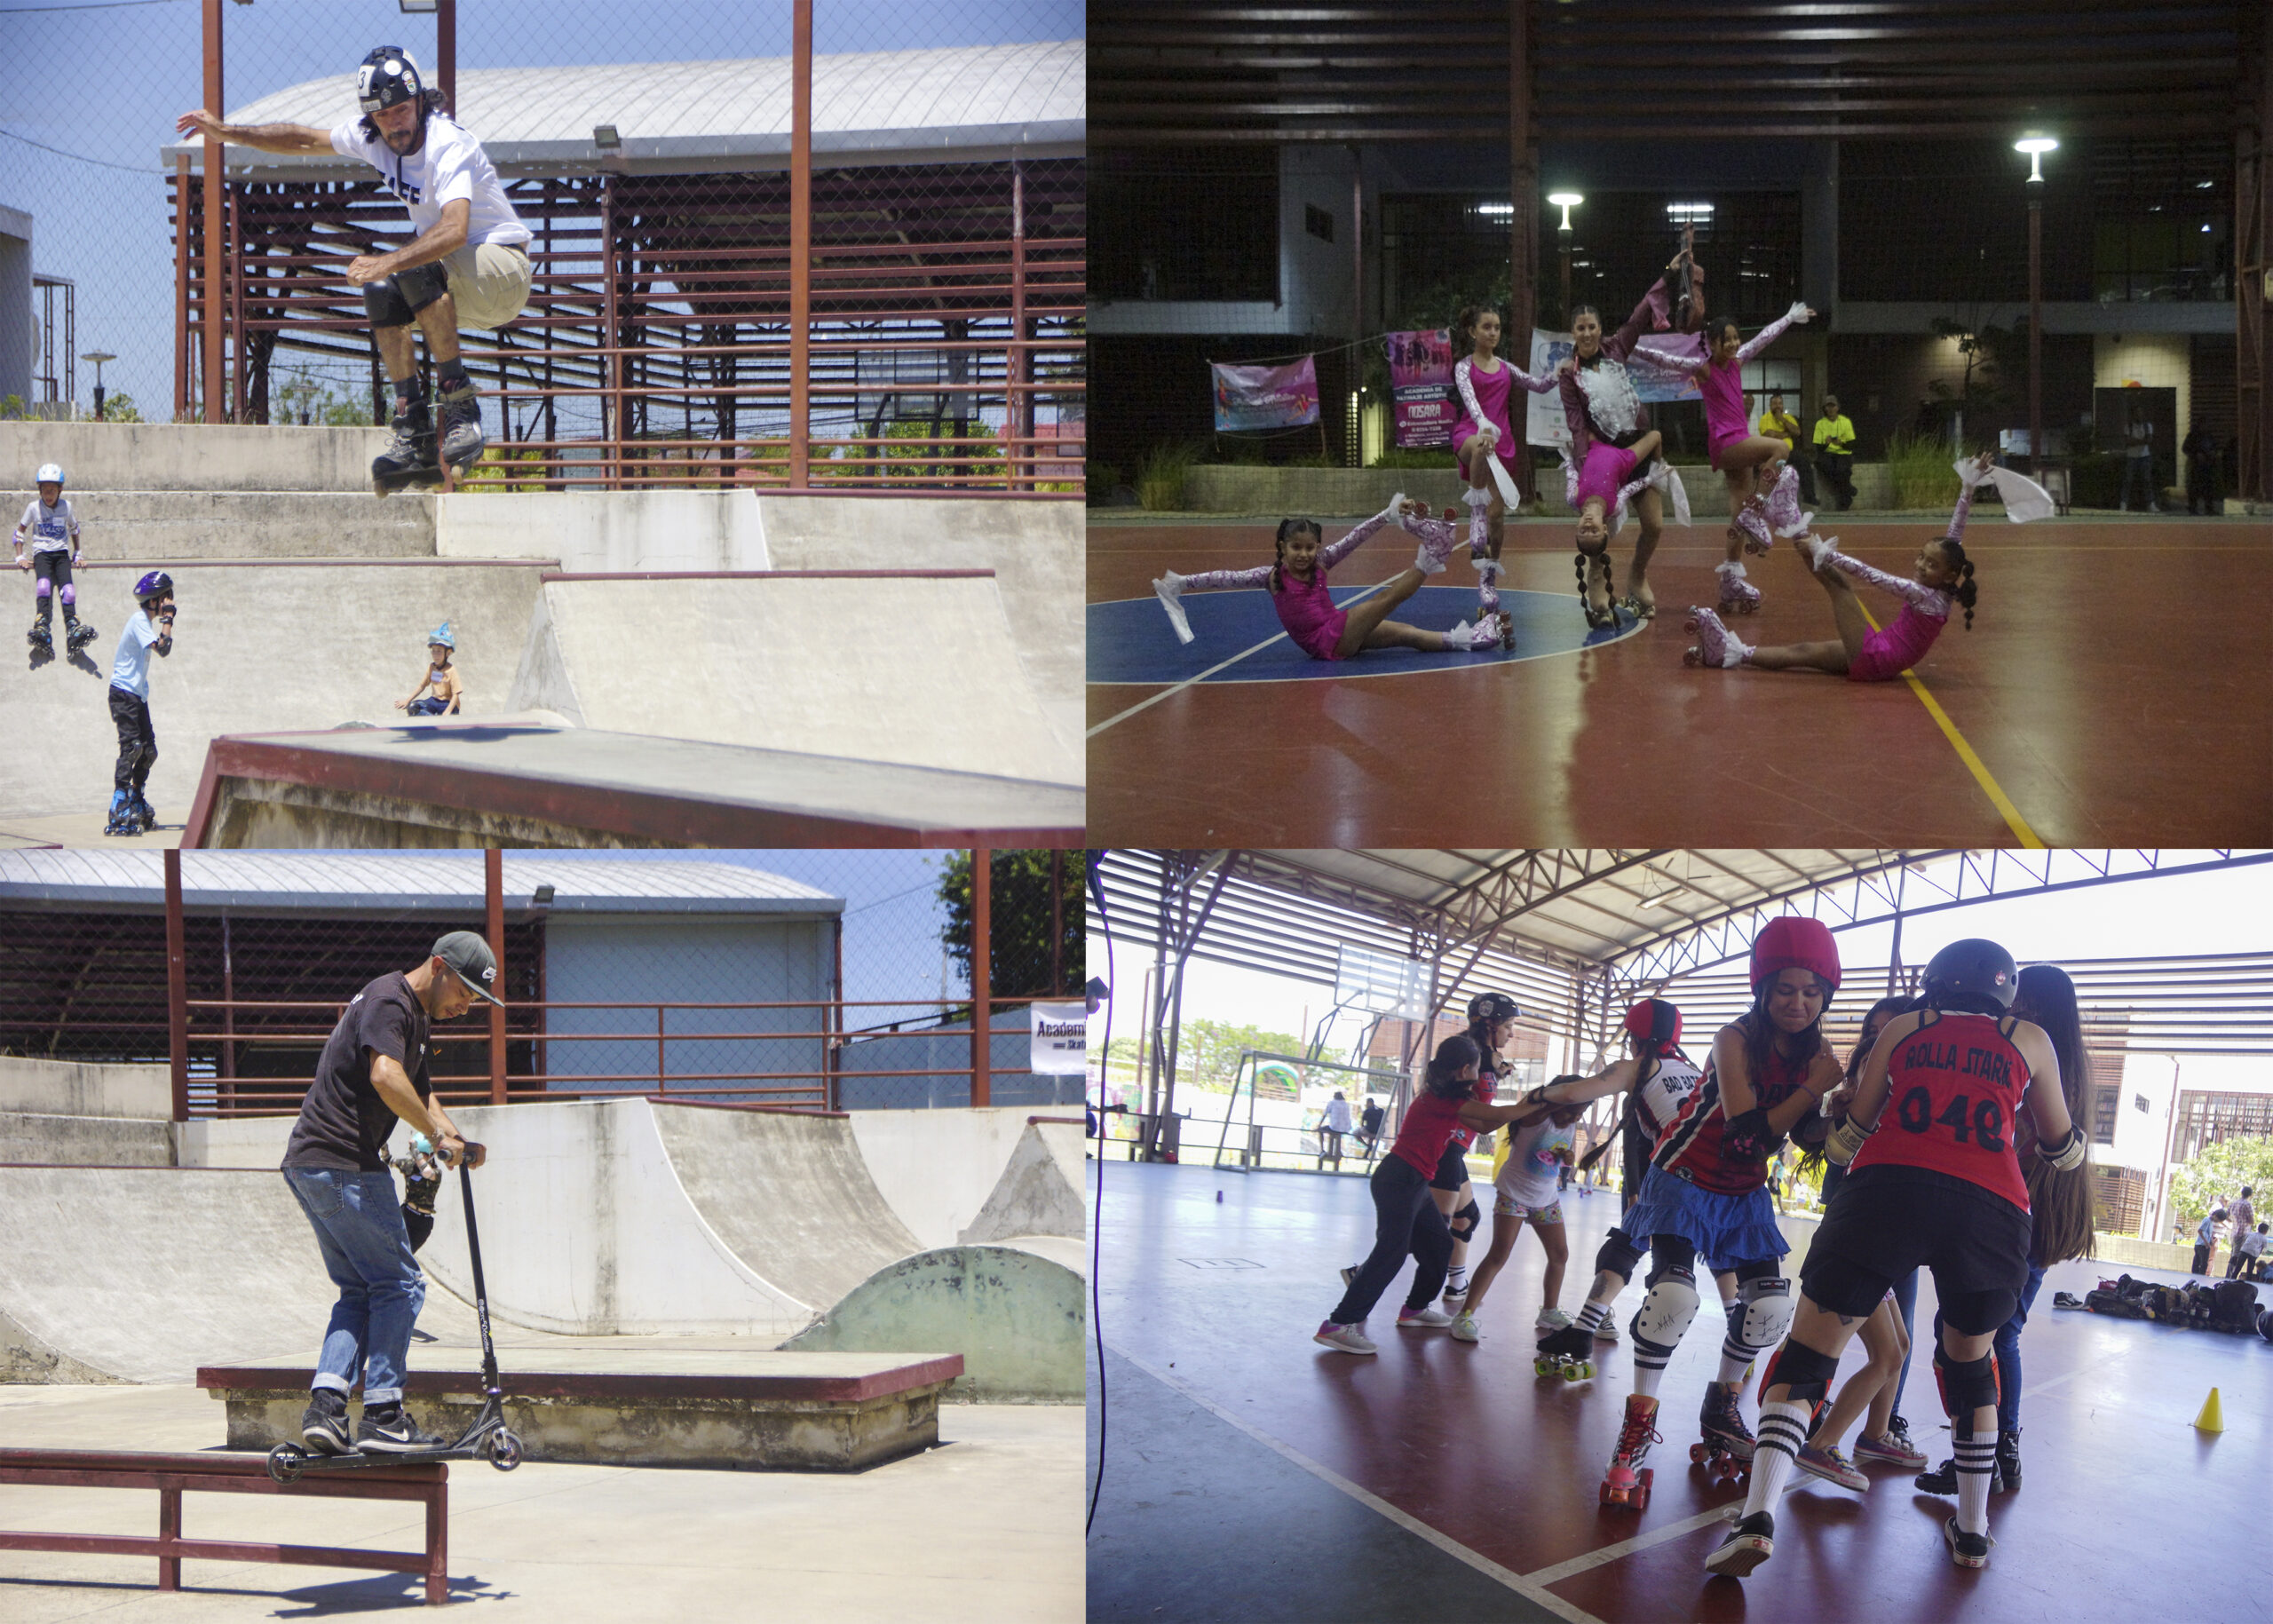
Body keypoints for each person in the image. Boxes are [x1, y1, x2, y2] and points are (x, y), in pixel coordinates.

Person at [1706, 938, 2087, 1579]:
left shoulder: (1909, 1024)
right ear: (2004, 990)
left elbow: (1852, 1130)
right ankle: (1972, 1530)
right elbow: (2063, 1147)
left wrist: (1843, 1138)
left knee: (1809, 1351)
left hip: (1885, 1191)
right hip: (1991, 1210)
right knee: (1971, 1364)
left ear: (1935, 983)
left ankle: (1757, 1517)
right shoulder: (2032, 1038)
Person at [178, 46, 534, 492]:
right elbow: (302, 139)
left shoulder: (449, 145)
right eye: (384, 116)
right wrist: (227, 131)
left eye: (403, 110)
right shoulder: (370, 136)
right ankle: (414, 430)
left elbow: (455, 230)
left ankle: (461, 407)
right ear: (371, 116)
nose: (396, 124)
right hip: (463, 282)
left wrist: (387, 259)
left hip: (503, 271)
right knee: (382, 289)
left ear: (421, 101)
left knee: (408, 265)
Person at [281, 931, 498, 1454]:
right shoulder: (390, 999)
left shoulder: (414, 1017)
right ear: (439, 967)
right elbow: (385, 1075)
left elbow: (419, 1088)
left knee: (362, 1291)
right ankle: (384, 1413)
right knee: (401, 1285)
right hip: (343, 1165)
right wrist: (432, 1135)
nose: (467, 1007)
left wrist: (454, 1138)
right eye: (465, 993)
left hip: (312, 1164)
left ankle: (327, 1409)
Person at [1914, 962, 2096, 1496]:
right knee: (1995, 1335)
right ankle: (1996, 1454)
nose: (2008, 1007)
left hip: (2009, 1217)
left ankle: (1989, 1454)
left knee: (1982, 1338)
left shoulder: (2033, 1058)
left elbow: (2013, 1145)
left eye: (2019, 1000)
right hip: (2031, 1219)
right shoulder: (2066, 1066)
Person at [1312, 1034, 1578, 1355]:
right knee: (1392, 1252)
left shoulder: (1448, 1097)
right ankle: (1339, 1324)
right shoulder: (1444, 1099)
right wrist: (1544, 1097)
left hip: (1416, 1182)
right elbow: (1502, 1117)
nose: (1480, 1075)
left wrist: (1523, 1104)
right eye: (1478, 1069)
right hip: (1399, 1179)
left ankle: (1414, 1309)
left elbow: (1483, 1126)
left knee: (1440, 1244)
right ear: (1465, 1069)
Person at [1686, 452, 1991, 677]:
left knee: (1840, 587)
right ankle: (1730, 653)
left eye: (1931, 564)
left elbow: (1874, 577)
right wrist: (1967, 490)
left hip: (1876, 657)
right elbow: (1955, 537)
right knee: (1803, 652)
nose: (1922, 565)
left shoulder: (1925, 596)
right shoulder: (1947, 582)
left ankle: (1789, 519)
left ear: (1949, 574)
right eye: (1922, 556)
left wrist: (1825, 552)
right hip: (1878, 650)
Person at [1798, 994, 1925, 1470]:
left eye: (1891, 1030)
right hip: (1861, 1228)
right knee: (1836, 1348)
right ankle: (1820, 1439)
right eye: (1873, 1032)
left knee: (1897, 1347)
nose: (1880, 1039)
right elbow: (1832, 1147)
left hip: (1885, 1228)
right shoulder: (1866, 1083)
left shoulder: (1912, 1078)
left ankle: (1872, 1434)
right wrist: (1837, 1110)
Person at [1556, 250, 1708, 622]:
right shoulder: (1568, 374)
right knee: (1598, 524)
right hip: (1604, 457)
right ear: (1572, 333)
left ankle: (1637, 577)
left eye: (1592, 326)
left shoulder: (1617, 347)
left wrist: (1670, 273)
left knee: (1654, 525)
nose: (1588, 333)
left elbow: (1642, 314)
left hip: (1636, 451)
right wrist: (1583, 466)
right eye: (1581, 328)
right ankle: (1595, 572)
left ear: (1599, 328)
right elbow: (1576, 422)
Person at [1636, 303, 1816, 613]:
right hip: (1726, 443)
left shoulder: (1738, 361)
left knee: (1737, 506)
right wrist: (1632, 347)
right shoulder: (1705, 368)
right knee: (1782, 449)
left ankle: (1731, 577)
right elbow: (1667, 359)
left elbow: (1763, 338)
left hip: (1739, 441)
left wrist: (1788, 317)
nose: (1734, 344)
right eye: (1727, 340)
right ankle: (1756, 513)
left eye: (1735, 338)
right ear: (1713, 342)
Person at [1152, 501, 1504, 657]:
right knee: (1384, 601)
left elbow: (1355, 537)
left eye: (1309, 547)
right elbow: (1223, 578)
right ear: (1282, 547)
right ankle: (1432, 557)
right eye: (1296, 548)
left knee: (1407, 634)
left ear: (1316, 547)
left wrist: (1386, 514)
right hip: (1325, 642)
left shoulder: (1323, 562)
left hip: (1337, 628)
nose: (1303, 555)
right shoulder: (1271, 577)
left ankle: (1469, 642)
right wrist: (1181, 582)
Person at [1448, 305, 1563, 628]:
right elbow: (1469, 400)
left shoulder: (1506, 368)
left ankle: (1487, 582)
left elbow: (1538, 385)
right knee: (1480, 449)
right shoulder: (1463, 368)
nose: (1493, 332)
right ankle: (1475, 515)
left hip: (1504, 445)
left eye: (1497, 327)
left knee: (1497, 521)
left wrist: (1559, 373)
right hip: (1472, 434)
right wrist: (1483, 426)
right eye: (1487, 327)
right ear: (1473, 332)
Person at [1450, 1101, 1584, 1342]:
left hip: (1546, 1198)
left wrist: (1567, 1156)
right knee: (1499, 1253)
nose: (1574, 1118)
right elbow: (1543, 1100)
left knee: (1560, 1255)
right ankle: (1464, 1315)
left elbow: (1563, 1156)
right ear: (1555, 1104)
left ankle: (1549, 1312)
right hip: (1514, 1193)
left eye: (1580, 1114)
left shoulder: (1570, 1124)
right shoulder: (1536, 1116)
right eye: (1570, 1111)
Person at [103, 570, 178, 836]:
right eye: (165, 597)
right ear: (154, 600)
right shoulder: (138, 620)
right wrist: (168, 618)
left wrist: (166, 616)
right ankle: (118, 803)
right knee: (131, 748)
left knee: (148, 751)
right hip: (123, 693)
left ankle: (136, 796)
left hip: (138, 695)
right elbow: (164, 648)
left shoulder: (144, 621)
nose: (169, 601)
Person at [14, 463, 95, 654]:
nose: (48, 495)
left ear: (60, 490)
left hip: (61, 554)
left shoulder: (67, 507)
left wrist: (78, 554)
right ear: (39, 490)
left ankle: (73, 626)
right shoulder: (33, 508)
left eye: (52, 490)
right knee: (43, 586)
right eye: (44, 491)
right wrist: (20, 557)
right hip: (42, 554)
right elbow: (19, 533)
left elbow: (75, 529)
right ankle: (42, 624)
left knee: (68, 590)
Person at [396, 622, 463, 717]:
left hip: (448, 703)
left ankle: (438, 718)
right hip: (434, 701)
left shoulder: (451, 670)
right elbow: (421, 686)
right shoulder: (432, 667)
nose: (435, 655)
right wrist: (407, 700)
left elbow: (456, 694)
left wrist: (447, 711)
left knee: (448, 714)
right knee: (413, 707)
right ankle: (433, 719)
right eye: (433, 651)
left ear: (447, 653)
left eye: (439, 651)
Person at [1760, 393, 1814, 503]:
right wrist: (1787, 434)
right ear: (1770, 406)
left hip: (1789, 452)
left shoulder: (1788, 418)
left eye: (1780, 403)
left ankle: (1809, 497)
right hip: (1772, 453)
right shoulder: (1765, 418)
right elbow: (1769, 435)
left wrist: (1783, 420)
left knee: (1804, 462)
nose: (1778, 406)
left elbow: (1797, 432)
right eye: (1775, 404)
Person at [1811, 396, 1856, 511]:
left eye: (1833, 406)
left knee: (1842, 470)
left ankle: (1844, 500)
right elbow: (1818, 447)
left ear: (1837, 408)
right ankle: (1848, 490)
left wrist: (1840, 443)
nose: (1830, 409)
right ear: (1825, 408)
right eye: (1828, 406)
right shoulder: (1820, 424)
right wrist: (1827, 443)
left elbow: (1851, 444)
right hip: (1827, 454)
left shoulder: (1845, 422)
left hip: (1843, 453)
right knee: (1826, 466)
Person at [2120, 404, 2162, 513]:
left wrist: (2134, 441)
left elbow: (2148, 440)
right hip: (2131, 457)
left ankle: (2150, 504)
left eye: (2140, 412)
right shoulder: (2128, 426)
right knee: (2128, 480)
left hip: (2145, 456)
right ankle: (2124, 503)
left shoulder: (2148, 426)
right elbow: (2127, 441)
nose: (2139, 415)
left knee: (2147, 480)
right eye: (2137, 413)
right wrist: (2141, 441)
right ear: (2133, 415)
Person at [2183, 423, 2222, 515]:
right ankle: (2193, 508)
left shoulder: (2209, 436)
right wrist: (2195, 455)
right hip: (2196, 465)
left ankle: (2209, 508)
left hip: (2208, 464)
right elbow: (2185, 448)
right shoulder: (2193, 436)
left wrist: (2213, 453)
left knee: (2208, 487)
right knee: (2194, 487)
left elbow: (2215, 447)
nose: (2206, 427)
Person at [2227, 1186, 2257, 1279]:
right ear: (2250, 1195)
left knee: (2233, 1253)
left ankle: (2229, 1275)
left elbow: (2226, 1215)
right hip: (2243, 1233)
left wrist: (2235, 1221)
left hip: (2234, 1232)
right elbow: (2252, 1221)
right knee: (2237, 1256)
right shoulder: (2247, 1204)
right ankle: (2230, 1276)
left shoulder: (2234, 1203)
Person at [1321, 1089, 1352, 1170]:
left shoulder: (1332, 1103)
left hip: (1334, 1128)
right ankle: (1338, 1152)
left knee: (1321, 1130)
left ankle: (1323, 1150)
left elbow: (1325, 1114)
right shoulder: (1345, 1104)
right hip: (1345, 1128)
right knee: (1337, 1136)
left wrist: (1319, 1125)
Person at [2194, 1207, 2226, 1276]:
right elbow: (2200, 1231)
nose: (2217, 1221)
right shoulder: (2207, 1220)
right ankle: (2198, 1276)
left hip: (2205, 1244)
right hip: (2201, 1245)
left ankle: (2199, 1275)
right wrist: (2206, 1242)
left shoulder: (2211, 1222)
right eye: (2218, 1219)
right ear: (2215, 1216)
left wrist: (2211, 1241)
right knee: (2202, 1263)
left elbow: (2208, 1234)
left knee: (2203, 1262)